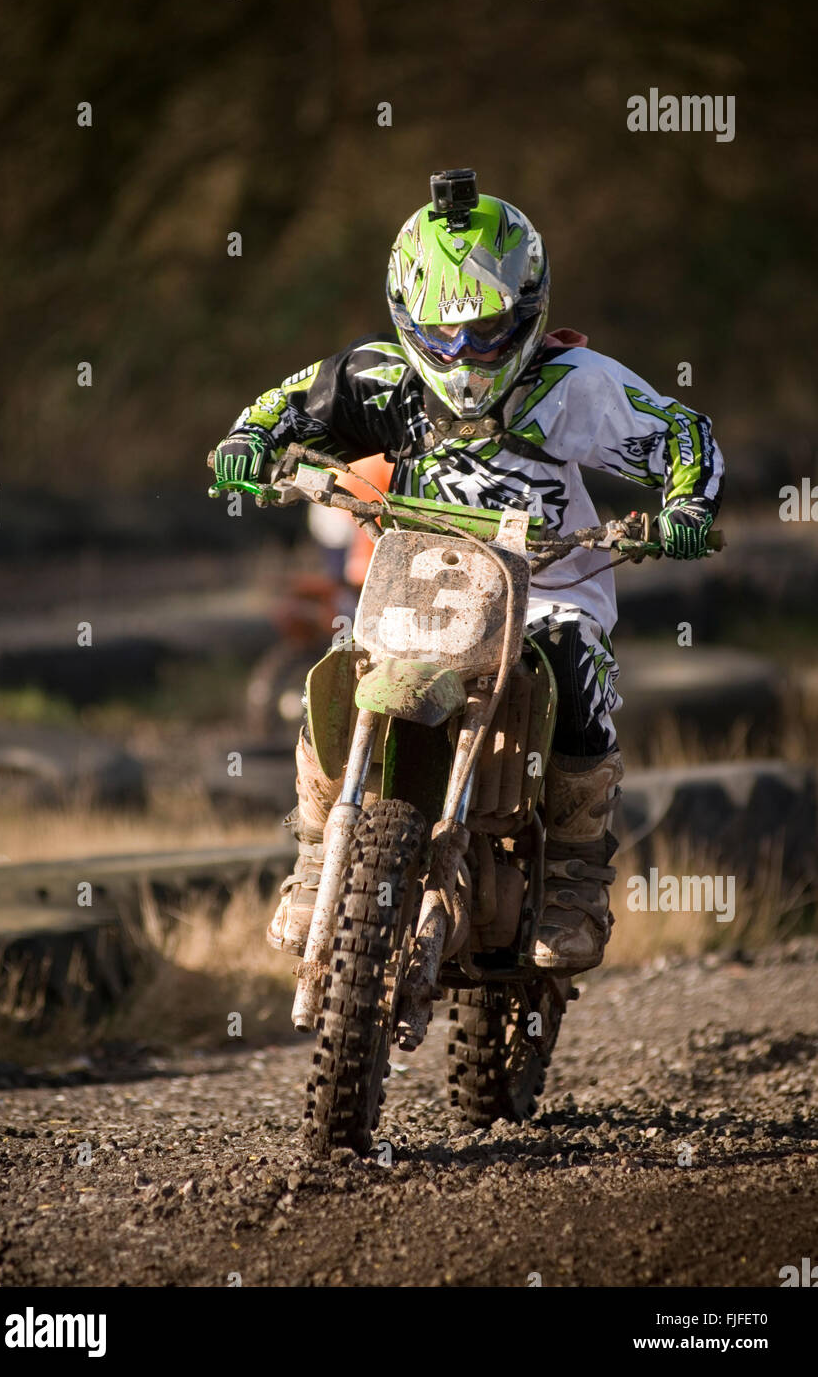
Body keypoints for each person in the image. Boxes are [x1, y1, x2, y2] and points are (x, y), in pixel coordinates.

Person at [208, 170, 724, 974]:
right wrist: (247, 445)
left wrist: (685, 509)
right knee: (339, 670)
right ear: (406, 320)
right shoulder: (381, 380)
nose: (463, 355)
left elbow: (681, 434)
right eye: (443, 336)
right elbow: (284, 404)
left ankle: (575, 875)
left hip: (549, 582)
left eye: (484, 333)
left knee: (571, 666)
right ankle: (316, 851)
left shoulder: (574, 386)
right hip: (416, 582)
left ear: (525, 311)